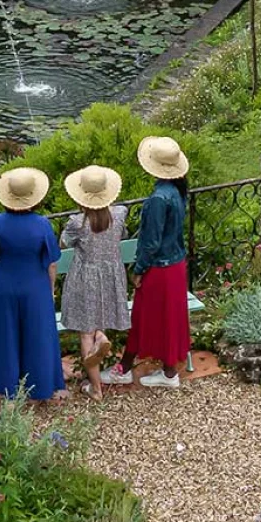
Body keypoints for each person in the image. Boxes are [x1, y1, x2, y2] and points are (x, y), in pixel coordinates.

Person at [101, 136, 190, 389]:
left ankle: (126, 368)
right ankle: (169, 371)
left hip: (159, 268)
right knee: (170, 318)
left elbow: (150, 241)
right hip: (175, 266)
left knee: (142, 317)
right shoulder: (177, 191)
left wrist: (139, 269)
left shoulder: (158, 199)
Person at [0, 167, 65, 402]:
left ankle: (5, 387)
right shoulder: (42, 225)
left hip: (4, 284)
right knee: (37, 335)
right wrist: (50, 290)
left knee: (4, 335)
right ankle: (39, 389)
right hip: (34, 285)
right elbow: (51, 263)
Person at [60, 165, 130, 400]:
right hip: (111, 277)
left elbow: (64, 244)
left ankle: (96, 388)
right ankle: (101, 335)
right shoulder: (119, 214)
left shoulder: (77, 222)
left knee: (84, 334)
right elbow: (123, 235)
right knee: (98, 318)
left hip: (85, 278)